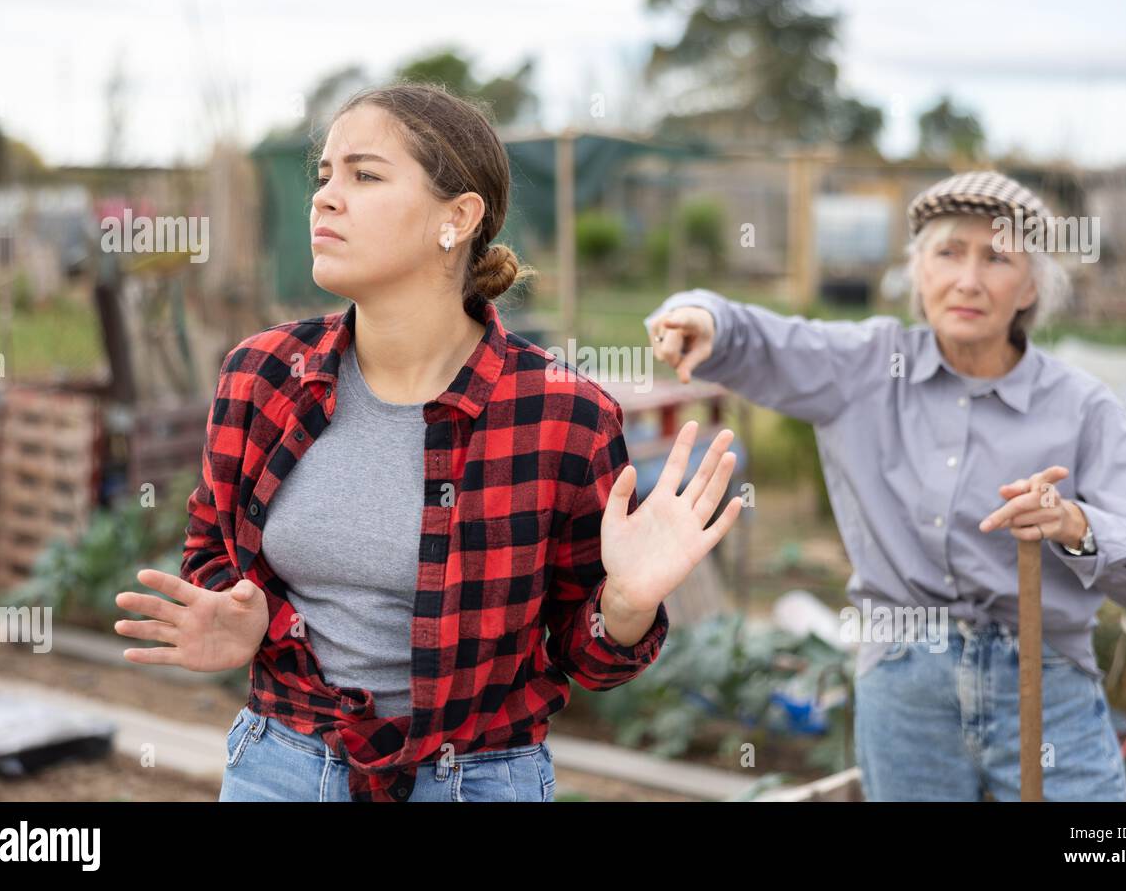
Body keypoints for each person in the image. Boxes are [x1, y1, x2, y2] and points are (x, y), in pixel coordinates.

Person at [114, 82, 743, 802]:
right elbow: (211, 555)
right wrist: (240, 613)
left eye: (365, 175)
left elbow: (587, 655)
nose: (324, 198)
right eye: (324, 176)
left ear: (458, 217)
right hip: (280, 766)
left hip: (476, 781)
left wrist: (626, 605)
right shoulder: (260, 376)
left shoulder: (562, 415)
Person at [644, 171, 1126, 801]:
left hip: (1046, 680)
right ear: (918, 272)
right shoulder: (864, 366)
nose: (968, 279)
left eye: (997, 258)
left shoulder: (1081, 407)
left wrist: (1077, 526)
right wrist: (702, 316)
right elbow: (760, 339)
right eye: (948, 253)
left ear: (1033, 286)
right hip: (906, 681)